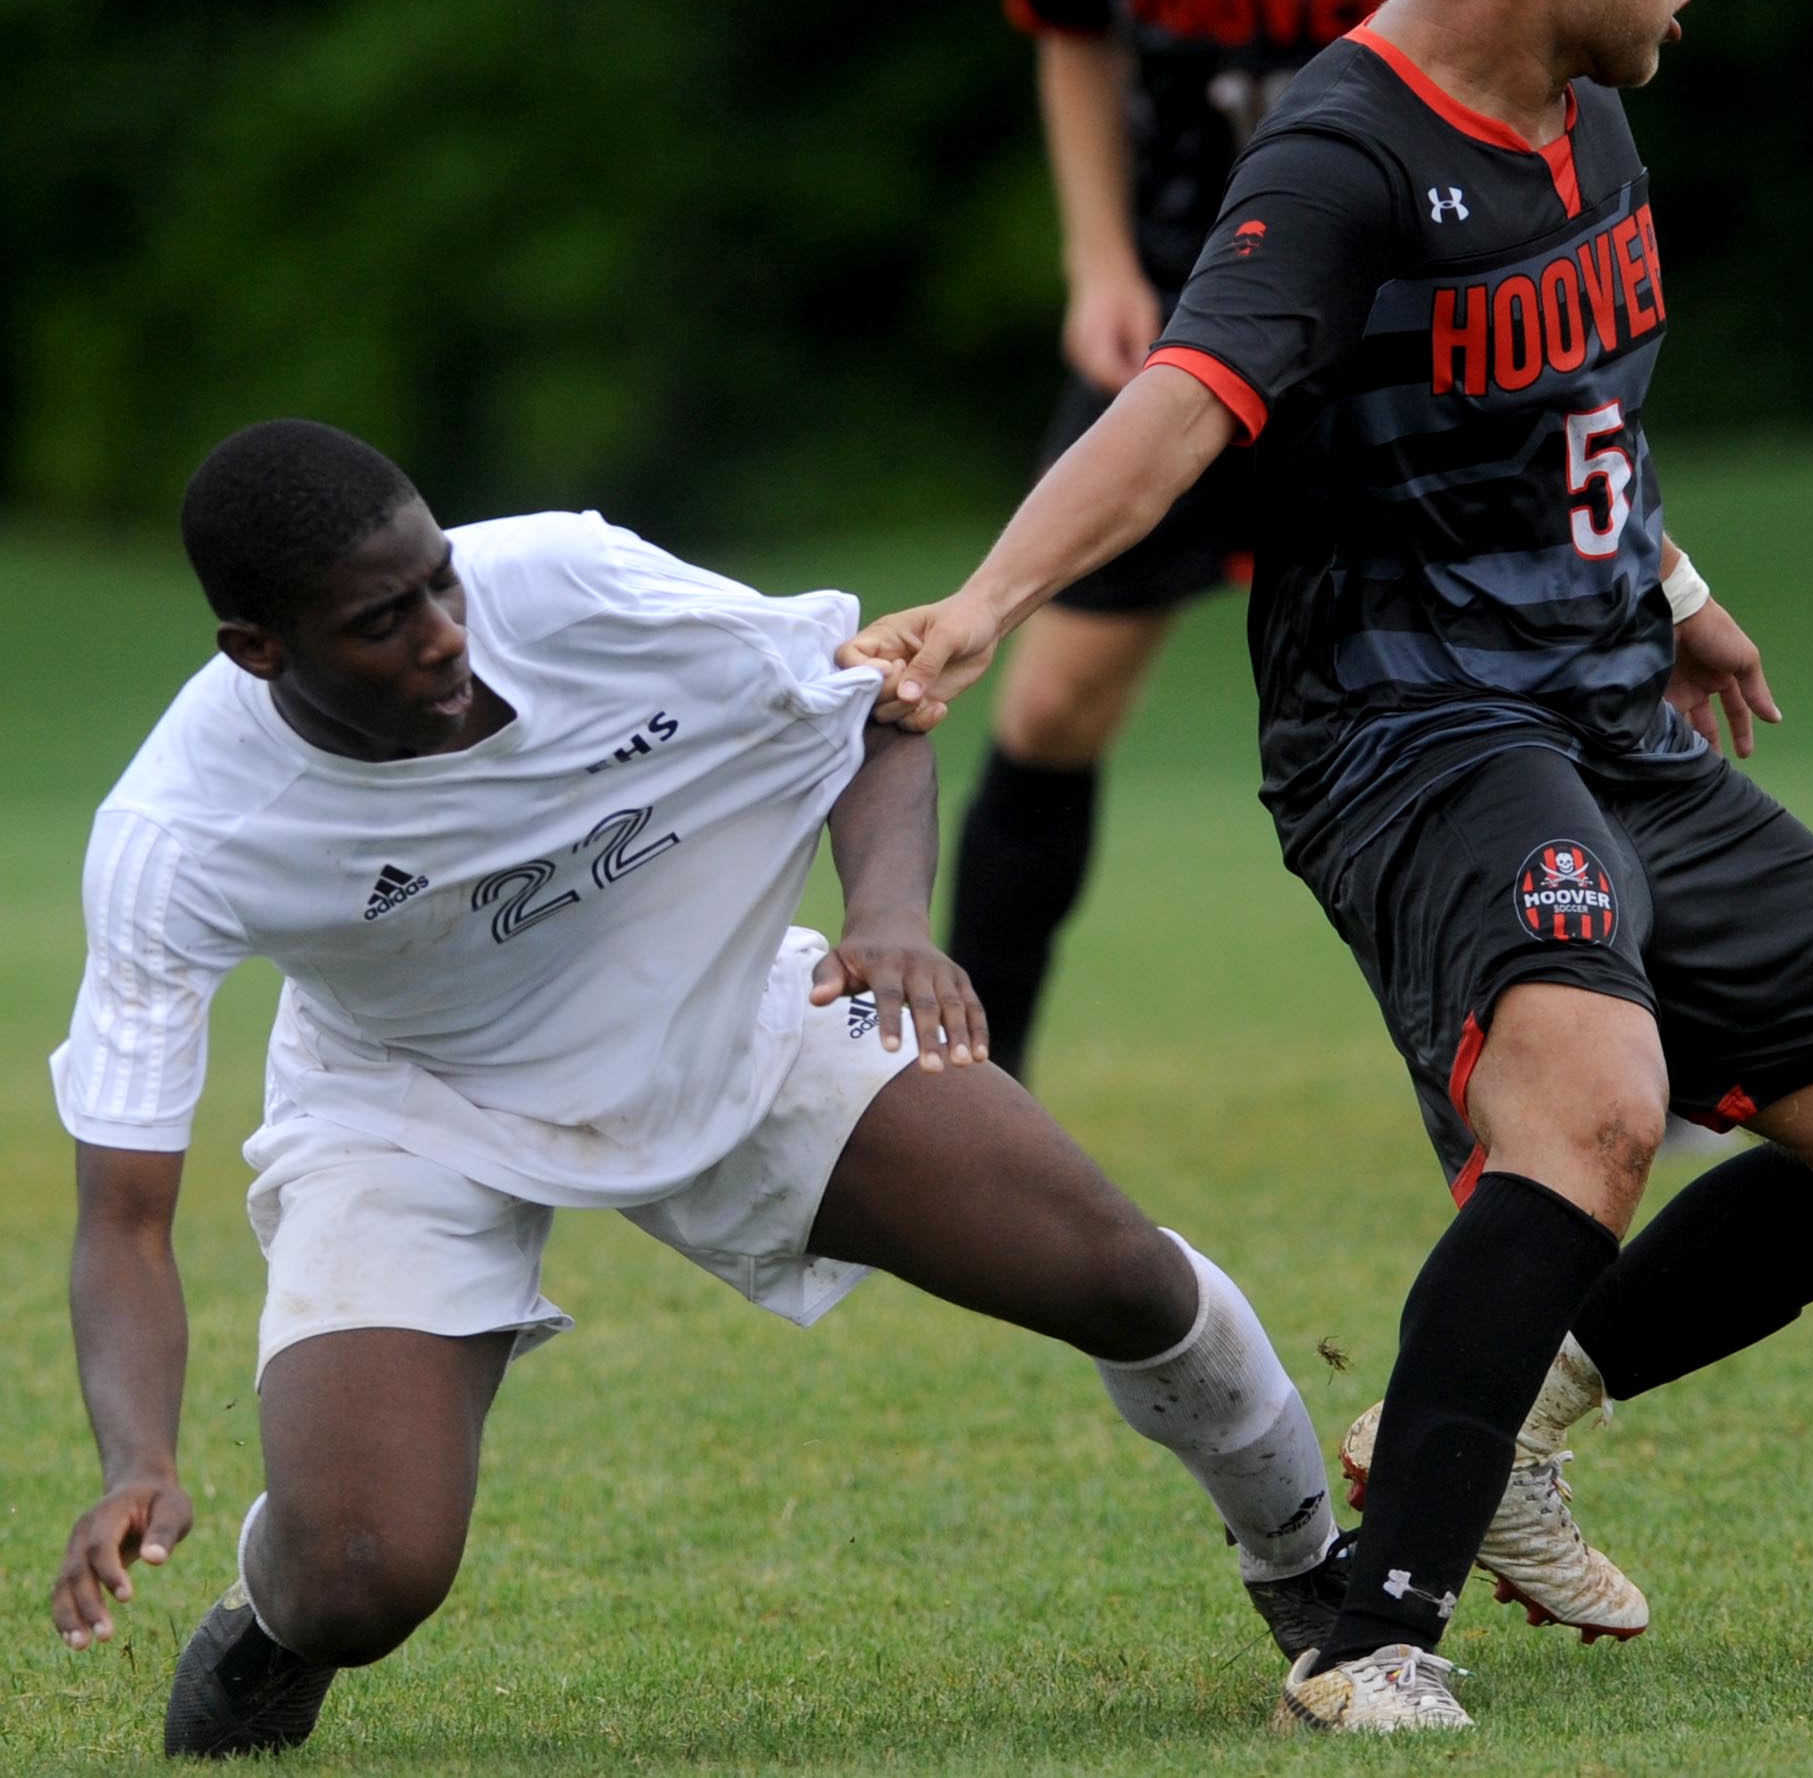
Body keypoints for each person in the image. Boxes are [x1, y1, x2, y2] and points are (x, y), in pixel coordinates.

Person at [844, 0, 1813, 1734]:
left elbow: (1570, 413)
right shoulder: (1338, 156)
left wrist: (1674, 588)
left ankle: (1508, 1419)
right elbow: (1182, 406)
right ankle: (1367, 1629)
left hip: (1602, 711)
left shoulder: (1593, 118)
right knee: (1587, 1104)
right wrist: (985, 608)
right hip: (1415, 734)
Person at [49, 419, 1353, 1759]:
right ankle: (278, 1612)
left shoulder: (562, 580)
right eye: (383, 620)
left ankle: (1314, 1576)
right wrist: (138, 1460)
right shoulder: (178, 835)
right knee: (360, 1576)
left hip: (716, 998)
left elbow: (871, 705)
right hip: (409, 1093)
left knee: (1121, 1275)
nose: (445, 631)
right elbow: (124, 1216)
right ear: (258, 650)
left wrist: (892, 917)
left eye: (441, 578)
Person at [955, 0, 1423, 1079]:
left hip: (1403, 335)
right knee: (1051, 701)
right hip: (1181, 325)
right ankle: (956, 1094)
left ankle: (1678, 1044)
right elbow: (1070, 39)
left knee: (1540, 675)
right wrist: (1096, 257)